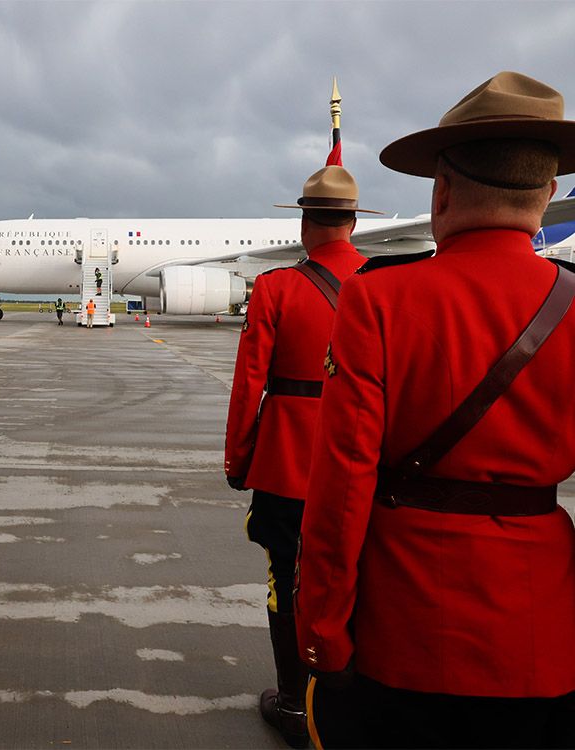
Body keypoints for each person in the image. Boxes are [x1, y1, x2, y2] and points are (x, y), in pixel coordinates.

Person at [295, 72, 575, 748]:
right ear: (547, 195)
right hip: (542, 636)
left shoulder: (378, 300)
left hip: (405, 631)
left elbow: (342, 486)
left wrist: (323, 633)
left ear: (441, 191)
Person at [224, 165, 375, 748]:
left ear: (305, 223)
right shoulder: (387, 283)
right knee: (360, 579)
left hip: (289, 464)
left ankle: (293, 704)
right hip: (366, 462)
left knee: (286, 581)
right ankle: (350, 701)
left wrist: (240, 461)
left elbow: (248, 387)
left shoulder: (276, 288)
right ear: (354, 222)